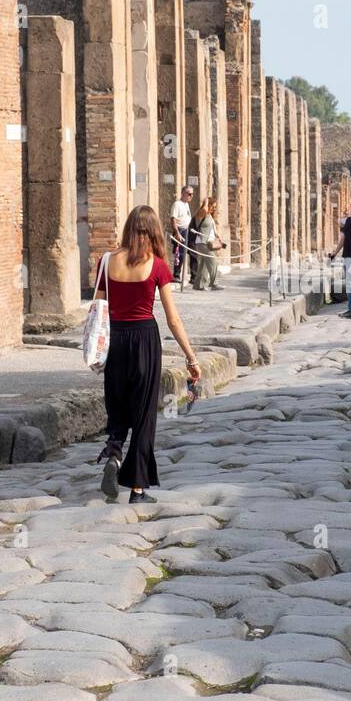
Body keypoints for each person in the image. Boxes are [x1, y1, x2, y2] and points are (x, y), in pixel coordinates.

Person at [95, 205, 202, 504]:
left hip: (115, 340)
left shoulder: (106, 262)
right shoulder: (156, 266)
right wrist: (191, 358)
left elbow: (97, 308)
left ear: (129, 228)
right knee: (143, 416)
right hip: (144, 340)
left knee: (117, 405)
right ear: (154, 231)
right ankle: (137, 489)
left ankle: (114, 454)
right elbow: (173, 319)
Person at [191, 198, 224, 291]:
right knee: (213, 261)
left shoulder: (209, 216)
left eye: (215, 207)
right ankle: (214, 283)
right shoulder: (202, 213)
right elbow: (204, 209)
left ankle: (198, 285)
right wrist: (206, 201)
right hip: (202, 243)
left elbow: (213, 230)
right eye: (213, 206)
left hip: (209, 243)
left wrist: (219, 237)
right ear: (208, 205)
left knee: (204, 264)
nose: (214, 209)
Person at [170, 185, 194, 285]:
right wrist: (177, 233)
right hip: (180, 231)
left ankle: (193, 275)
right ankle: (176, 275)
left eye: (192, 194)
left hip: (187, 231)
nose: (191, 196)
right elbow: (173, 219)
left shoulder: (186, 205)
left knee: (189, 253)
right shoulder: (177, 204)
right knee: (179, 254)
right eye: (189, 194)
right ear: (183, 193)